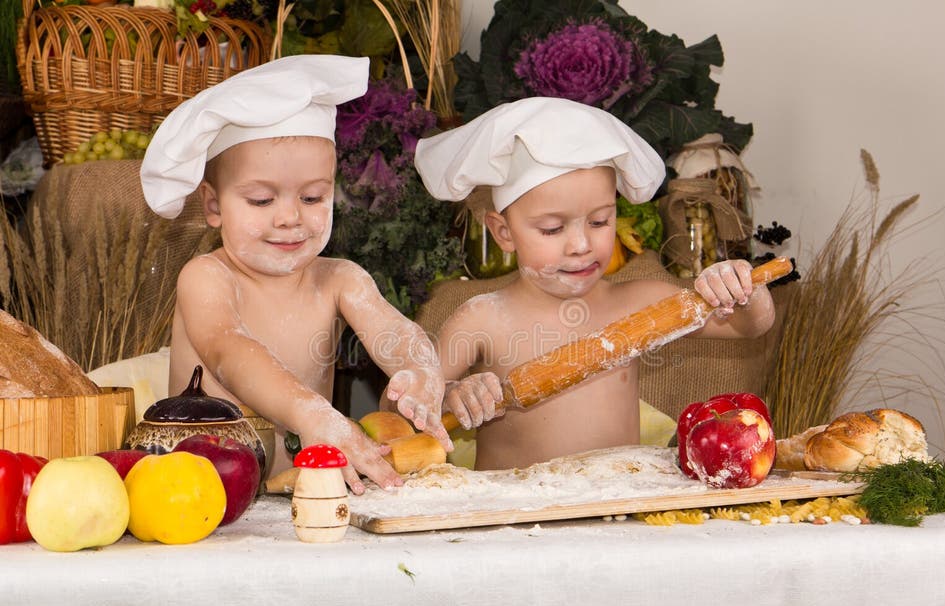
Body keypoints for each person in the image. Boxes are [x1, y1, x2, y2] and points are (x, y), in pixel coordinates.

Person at [140, 55, 451, 493]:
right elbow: (230, 352)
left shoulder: (339, 279)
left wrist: (418, 369)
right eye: (262, 201)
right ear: (213, 205)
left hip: (301, 494)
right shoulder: (207, 277)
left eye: (311, 197)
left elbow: (393, 331)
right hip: (203, 501)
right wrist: (312, 414)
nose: (290, 218)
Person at [414, 97, 776, 470]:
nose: (581, 245)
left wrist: (738, 287)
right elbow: (400, 407)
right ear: (503, 232)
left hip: (616, 511)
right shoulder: (482, 318)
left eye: (600, 221)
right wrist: (450, 396)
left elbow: (749, 325)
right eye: (553, 229)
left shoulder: (640, 302)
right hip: (515, 518)